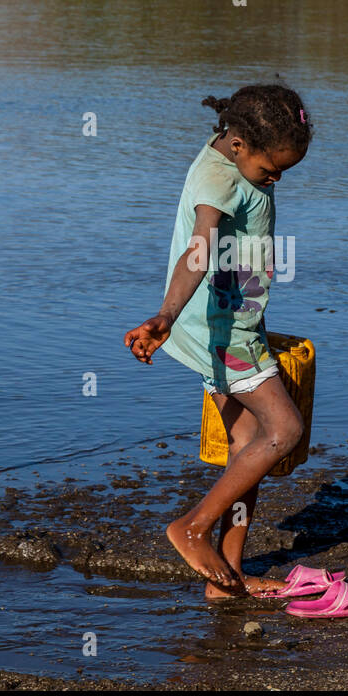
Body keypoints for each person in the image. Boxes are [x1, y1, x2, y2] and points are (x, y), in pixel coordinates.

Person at [124, 85, 311, 598]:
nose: (275, 180)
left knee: (247, 446)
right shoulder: (218, 178)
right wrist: (164, 314)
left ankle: (226, 577)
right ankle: (192, 528)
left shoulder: (233, 153)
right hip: (225, 333)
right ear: (239, 147)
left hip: (229, 322)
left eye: (283, 174)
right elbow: (199, 251)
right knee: (285, 429)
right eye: (270, 171)